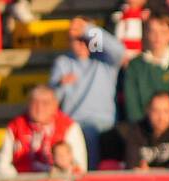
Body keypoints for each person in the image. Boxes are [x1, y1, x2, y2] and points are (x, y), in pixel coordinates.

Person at [50, 18, 123, 168]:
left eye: (86, 38)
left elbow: (119, 51)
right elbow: (52, 100)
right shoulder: (63, 63)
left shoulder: (105, 60)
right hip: (74, 124)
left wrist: (88, 29)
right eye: (77, 39)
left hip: (105, 124)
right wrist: (60, 86)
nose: (82, 43)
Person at [0, 85, 88, 176]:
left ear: (55, 105)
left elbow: (79, 167)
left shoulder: (69, 126)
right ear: (28, 104)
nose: (39, 108)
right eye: (35, 103)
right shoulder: (15, 126)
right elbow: (2, 165)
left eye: (45, 103)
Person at [123, 14, 169, 123]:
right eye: (152, 31)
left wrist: (162, 122)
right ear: (145, 34)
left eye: (163, 32)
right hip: (139, 127)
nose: (157, 37)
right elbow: (132, 105)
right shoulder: (135, 65)